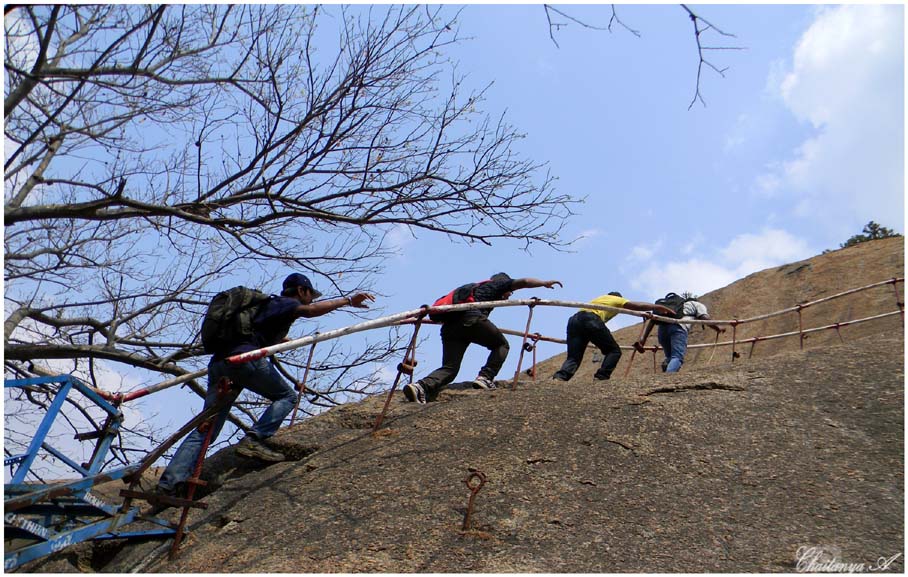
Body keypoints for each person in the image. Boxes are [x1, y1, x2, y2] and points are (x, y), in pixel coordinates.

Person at [157, 273, 375, 497]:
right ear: (301, 291)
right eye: (310, 295)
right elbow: (309, 312)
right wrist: (348, 300)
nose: (310, 299)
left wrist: (278, 341)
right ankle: (254, 439)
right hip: (244, 361)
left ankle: (170, 483)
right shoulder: (287, 303)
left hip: (220, 365)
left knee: (207, 429)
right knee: (287, 397)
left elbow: (255, 331)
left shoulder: (265, 307)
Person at [403, 273, 563, 404]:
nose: (509, 295)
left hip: (450, 328)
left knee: (450, 368)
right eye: (510, 292)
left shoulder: (468, 289)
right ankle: (485, 377)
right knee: (501, 345)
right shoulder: (496, 284)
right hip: (472, 319)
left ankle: (420, 387)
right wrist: (544, 283)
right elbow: (525, 281)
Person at [552, 292, 676, 381]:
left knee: (574, 357)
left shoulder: (599, 299)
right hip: (590, 319)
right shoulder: (614, 299)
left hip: (574, 320)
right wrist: (657, 307)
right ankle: (601, 377)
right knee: (614, 351)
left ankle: (560, 377)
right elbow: (636, 306)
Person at [634, 293, 724, 373]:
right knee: (676, 357)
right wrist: (717, 328)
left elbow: (653, 321)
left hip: (662, 330)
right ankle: (667, 379)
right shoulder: (696, 304)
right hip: (678, 327)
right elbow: (704, 318)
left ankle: (666, 371)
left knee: (669, 357)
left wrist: (643, 340)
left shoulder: (675, 307)